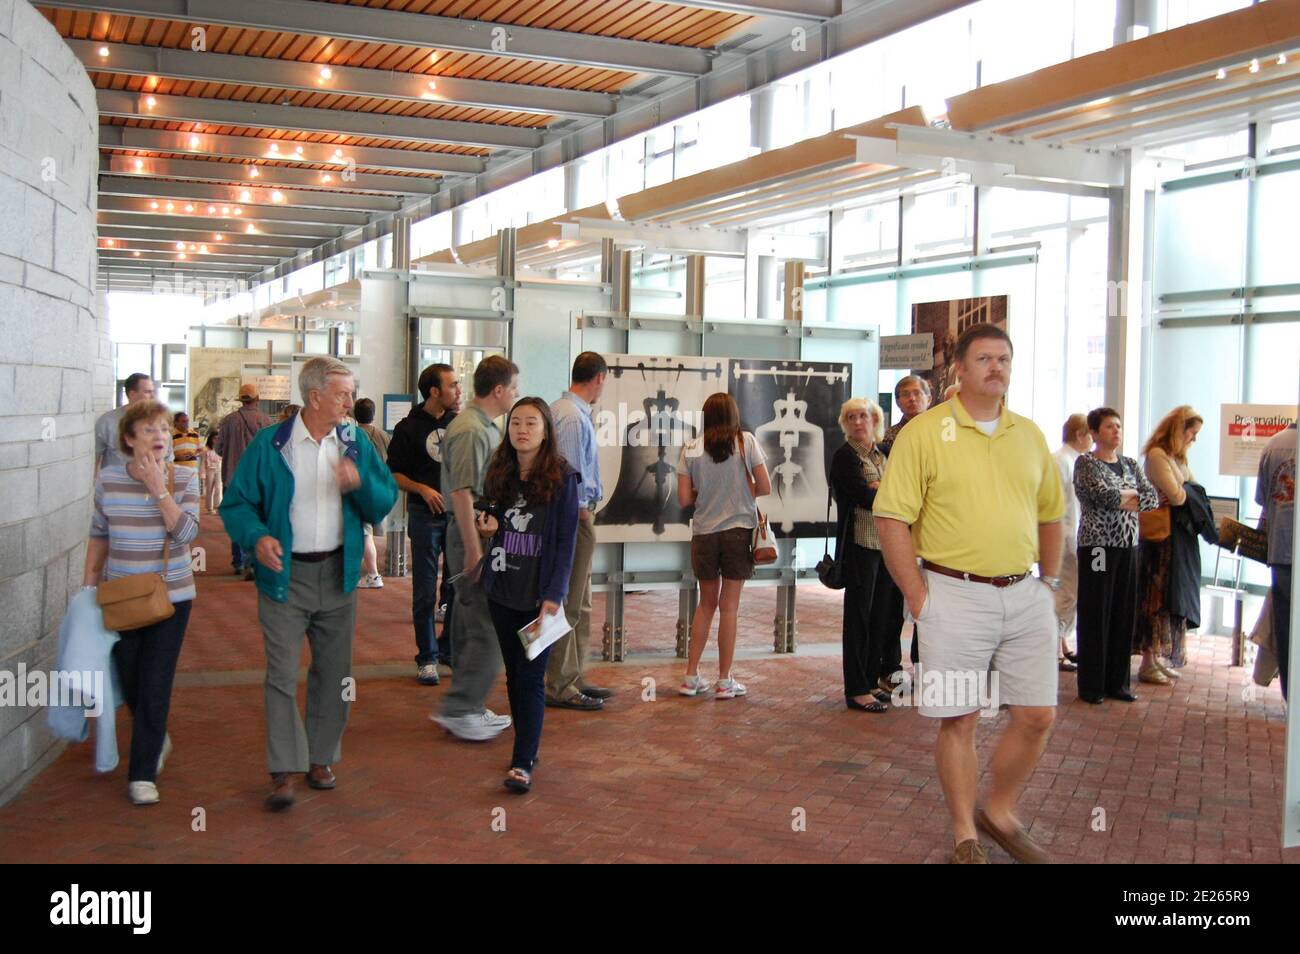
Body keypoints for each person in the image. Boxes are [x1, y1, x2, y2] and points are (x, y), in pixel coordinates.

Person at [874, 323, 1065, 864]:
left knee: (1037, 715)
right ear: (958, 368)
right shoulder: (925, 432)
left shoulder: (1028, 435)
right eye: (984, 358)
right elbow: (891, 518)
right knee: (960, 717)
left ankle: (999, 810)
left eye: (1004, 358)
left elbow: (1052, 514)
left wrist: (1048, 586)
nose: (996, 367)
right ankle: (966, 833)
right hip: (953, 594)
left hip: (1024, 594)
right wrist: (917, 596)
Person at [220, 357, 398, 811]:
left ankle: (321, 757)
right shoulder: (271, 445)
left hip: (338, 576)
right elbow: (237, 504)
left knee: (335, 674)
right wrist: (256, 537)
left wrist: (359, 484)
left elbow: (384, 503)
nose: (350, 402)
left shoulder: (355, 443)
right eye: (342, 394)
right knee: (281, 674)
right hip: (284, 576)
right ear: (314, 396)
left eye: (351, 392)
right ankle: (283, 768)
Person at [83, 400, 200, 805]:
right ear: (129, 439)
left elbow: (187, 534)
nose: (160, 437)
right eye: (149, 430)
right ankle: (156, 736)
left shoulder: (184, 478)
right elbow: (99, 535)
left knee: (155, 682)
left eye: (164, 430)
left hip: (172, 596)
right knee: (130, 678)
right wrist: (87, 587)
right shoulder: (108, 481)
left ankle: (142, 773)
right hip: (121, 597)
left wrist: (159, 490)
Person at [480, 398, 580, 792]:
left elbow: (565, 541)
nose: (522, 429)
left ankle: (522, 762)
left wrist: (554, 594)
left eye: (531, 423)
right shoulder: (500, 471)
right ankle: (528, 747)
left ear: (546, 430)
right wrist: (486, 528)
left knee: (532, 677)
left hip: (539, 595)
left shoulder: (562, 477)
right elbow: (491, 521)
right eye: (516, 422)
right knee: (514, 674)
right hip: (502, 588)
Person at [432, 355, 520, 741]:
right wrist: (472, 549)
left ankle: (465, 704)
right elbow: (463, 492)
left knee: (471, 622)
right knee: (485, 624)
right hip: (472, 533)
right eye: (514, 388)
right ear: (498, 390)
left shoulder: (479, 426)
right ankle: (462, 707)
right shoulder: (471, 430)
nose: (516, 396)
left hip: (476, 533)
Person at [677, 392, 771, 700]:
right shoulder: (746, 442)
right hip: (738, 532)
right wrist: (742, 490)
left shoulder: (690, 448)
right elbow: (766, 486)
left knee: (706, 604)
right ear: (734, 415)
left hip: (704, 533)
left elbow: (684, 500)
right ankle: (724, 680)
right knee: (729, 606)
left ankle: (691, 677)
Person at [1072, 408, 1159, 705]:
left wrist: (1123, 497)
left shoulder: (1131, 464)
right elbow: (1100, 495)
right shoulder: (1086, 463)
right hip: (1097, 546)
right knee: (1097, 610)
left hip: (1128, 546)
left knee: (1123, 613)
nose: (1116, 431)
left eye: (1119, 426)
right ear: (1095, 433)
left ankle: (1117, 683)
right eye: (1109, 426)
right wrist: (1128, 497)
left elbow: (1151, 498)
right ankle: (1092, 684)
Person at [388, 363, 461, 684]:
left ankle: (448, 649)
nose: (458, 391)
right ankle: (427, 657)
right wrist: (421, 489)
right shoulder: (407, 428)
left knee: (457, 586)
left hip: (457, 516)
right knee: (424, 590)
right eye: (453, 385)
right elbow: (394, 474)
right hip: (423, 517)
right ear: (434, 391)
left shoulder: (459, 424)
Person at [546, 352, 612, 711]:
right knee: (570, 602)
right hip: (576, 518)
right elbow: (569, 476)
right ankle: (560, 682)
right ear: (599, 378)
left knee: (580, 601)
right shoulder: (571, 417)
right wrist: (582, 514)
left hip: (577, 518)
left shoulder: (567, 412)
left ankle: (574, 675)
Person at [831, 397, 903, 713]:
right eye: (852, 417)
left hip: (886, 544)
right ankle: (857, 688)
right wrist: (879, 490)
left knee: (882, 615)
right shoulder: (845, 457)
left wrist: (880, 487)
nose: (858, 422)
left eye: (864, 416)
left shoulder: (882, 453)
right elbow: (864, 496)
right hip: (861, 545)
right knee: (859, 617)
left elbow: (900, 490)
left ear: (875, 420)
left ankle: (872, 680)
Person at [1133, 405, 1204, 684]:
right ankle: (1148, 662)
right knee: (1154, 600)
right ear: (1179, 429)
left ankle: (1156, 660)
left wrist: (1186, 491)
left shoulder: (1176, 458)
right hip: (1159, 543)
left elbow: (1191, 492)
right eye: (1192, 432)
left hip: (1174, 541)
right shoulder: (1157, 456)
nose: (1194, 439)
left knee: (1168, 601)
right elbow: (1179, 497)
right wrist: (1185, 491)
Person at [214, 383, 273, 577]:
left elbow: (218, 449)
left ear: (242, 400)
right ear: (257, 400)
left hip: (232, 477)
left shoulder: (228, 421)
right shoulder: (266, 421)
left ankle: (239, 561)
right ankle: (254, 562)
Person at [1256, 422, 1295, 701]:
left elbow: (1264, 500)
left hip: (1281, 549)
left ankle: (1290, 694)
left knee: (1285, 624)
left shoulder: (1273, 444)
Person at [1053, 413, 1092, 672]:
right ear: (1080, 435)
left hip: (1072, 534)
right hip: (1066, 536)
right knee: (1066, 592)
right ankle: (1054, 649)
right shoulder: (1063, 461)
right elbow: (1056, 504)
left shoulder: (1073, 460)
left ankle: (1063, 645)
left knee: (1071, 592)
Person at [94, 373, 173, 474]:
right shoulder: (107, 422)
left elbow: (168, 459)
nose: (153, 396)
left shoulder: (161, 423)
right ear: (132, 394)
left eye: (153, 392)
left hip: (152, 486)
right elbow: (95, 459)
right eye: (148, 392)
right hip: (116, 486)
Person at [353, 398, 392, 590]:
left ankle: (373, 574)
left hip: (361, 491)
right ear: (373, 414)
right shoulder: (383, 435)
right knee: (366, 533)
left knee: (363, 533)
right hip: (380, 490)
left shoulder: (351, 435)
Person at [880, 375, 931, 454]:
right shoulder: (888, 437)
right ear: (897, 402)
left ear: (929, 399)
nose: (912, 399)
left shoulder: (940, 431)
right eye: (905, 394)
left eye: (917, 393)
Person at [171, 412, 201, 476]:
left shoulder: (195, 434)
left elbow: (200, 450)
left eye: (187, 421)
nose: (186, 423)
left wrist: (193, 454)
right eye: (183, 421)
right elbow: (166, 454)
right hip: (177, 470)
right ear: (176, 422)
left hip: (193, 470)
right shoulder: (170, 435)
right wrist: (176, 457)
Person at [200, 433, 223, 514]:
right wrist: (202, 473)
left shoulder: (221, 448)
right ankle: (210, 508)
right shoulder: (205, 450)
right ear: (211, 439)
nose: (216, 440)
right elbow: (202, 462)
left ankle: (218, 507)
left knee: (218, 488)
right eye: (214, 438)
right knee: (209, 489)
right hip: (209, 470)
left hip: (219, 470)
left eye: (218, 438)